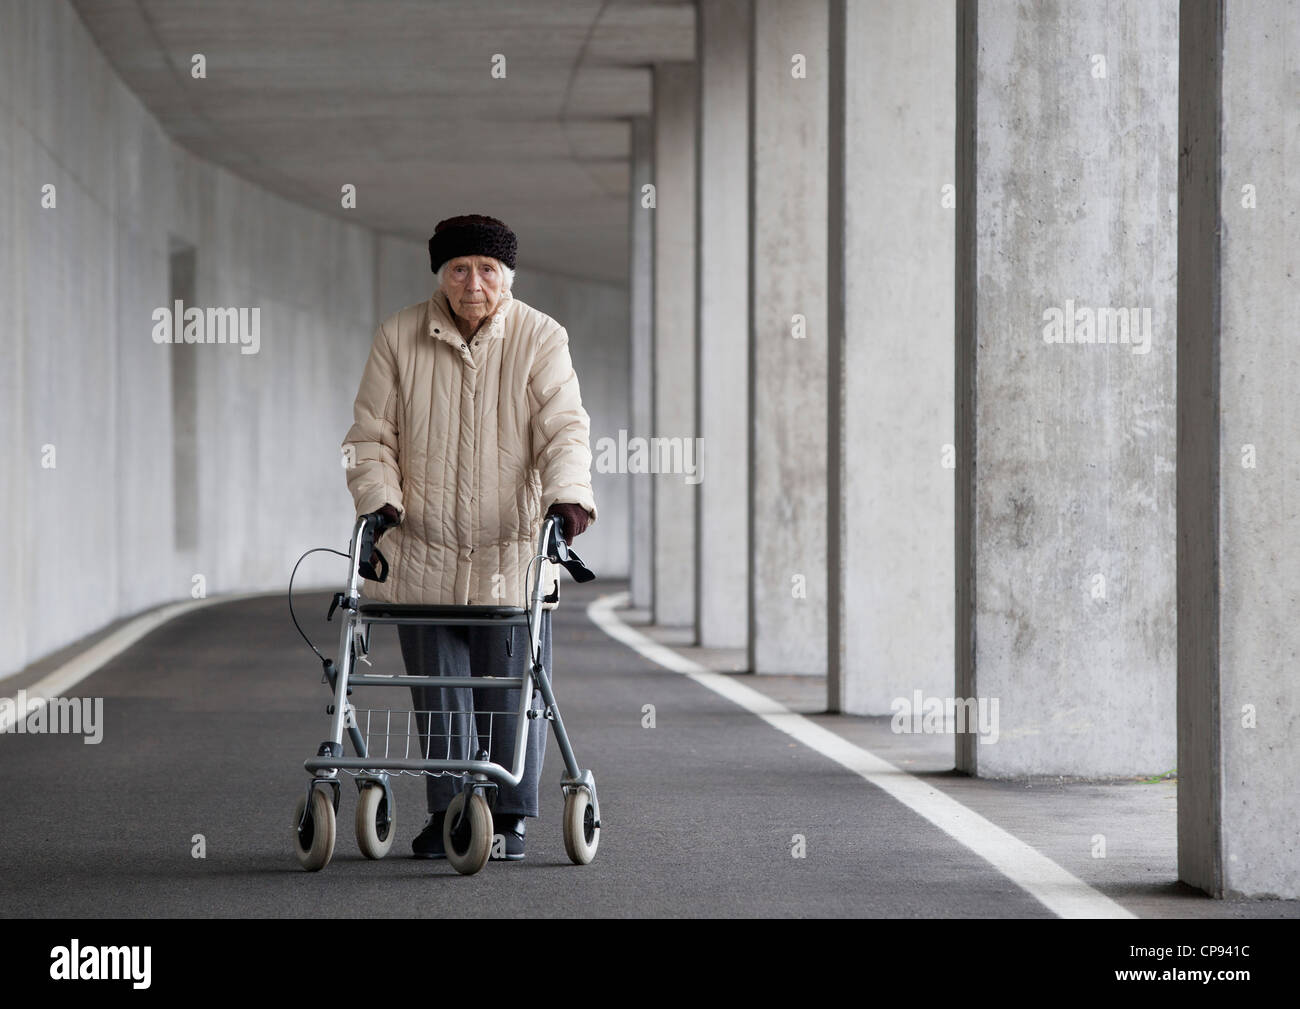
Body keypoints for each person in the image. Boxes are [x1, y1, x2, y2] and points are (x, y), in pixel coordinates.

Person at [341, 213, 597, 861]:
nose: (473, 282)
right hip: (421, 549)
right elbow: (371, 438)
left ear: (507, 276)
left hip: (510, 551)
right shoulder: (398, 337)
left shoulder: (541, 337)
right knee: (440, 691)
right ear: (441, 274)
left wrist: (568, 499)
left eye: (487, 269)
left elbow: (564, 428)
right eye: (459, 268)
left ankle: (507, 814)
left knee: (512, 686)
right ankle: (452, 810)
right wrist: (380, 503)